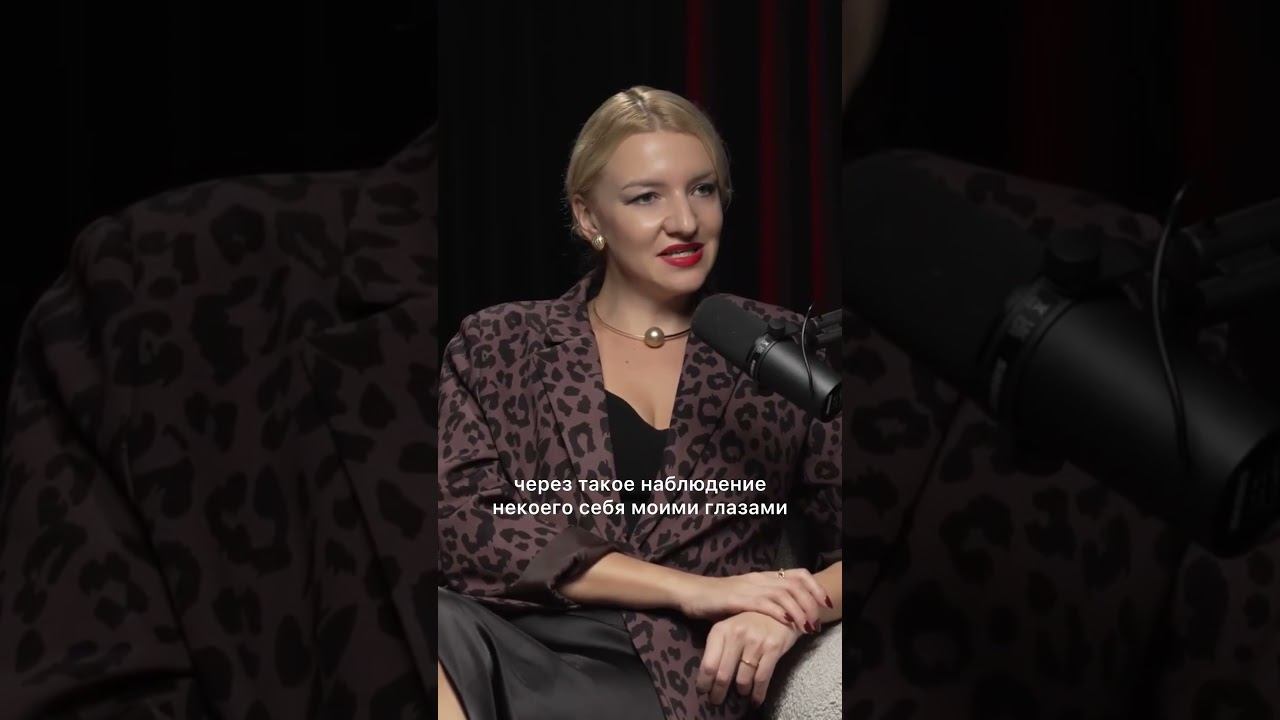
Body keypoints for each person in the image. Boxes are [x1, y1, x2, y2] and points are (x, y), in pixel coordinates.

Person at [436, 86, 843, 720]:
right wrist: (692, 590)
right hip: (518, 632)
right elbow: (463, 527)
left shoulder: (783, 349)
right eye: (646, 197)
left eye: (702, 189)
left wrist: (789, 612)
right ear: (588, 217)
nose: (685, 221)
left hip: (680, 671)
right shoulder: (499, 342)